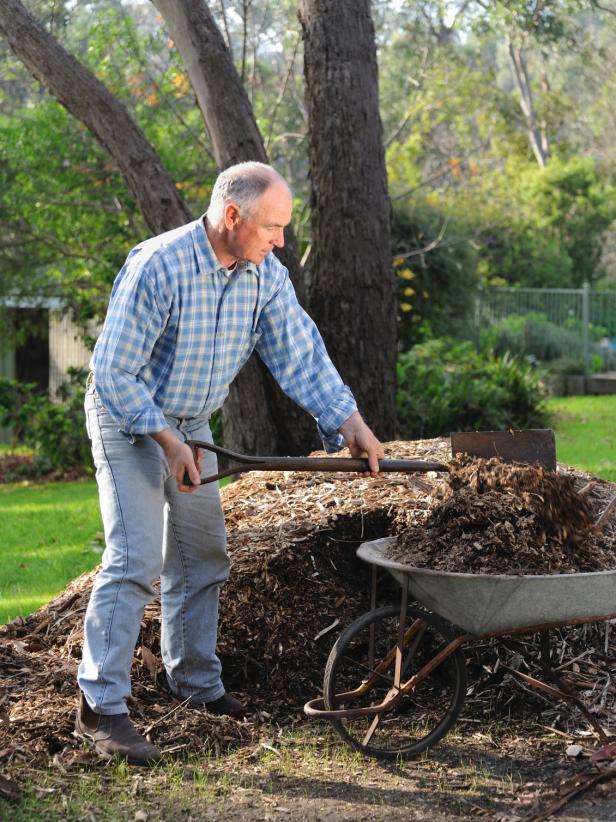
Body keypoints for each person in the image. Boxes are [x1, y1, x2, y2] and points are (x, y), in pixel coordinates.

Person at [75, 161, 384, 765]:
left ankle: (193, 684)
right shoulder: (158, 266)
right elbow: (113, 374)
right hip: (125, 416)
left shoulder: (262, 275)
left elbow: (300, 351)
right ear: (233, 215)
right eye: (272, 228)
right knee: (137, 556)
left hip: (190, 424)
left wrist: (351, 423)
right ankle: (101, 706)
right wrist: (166, 442)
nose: (281, 242)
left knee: (202, 556)